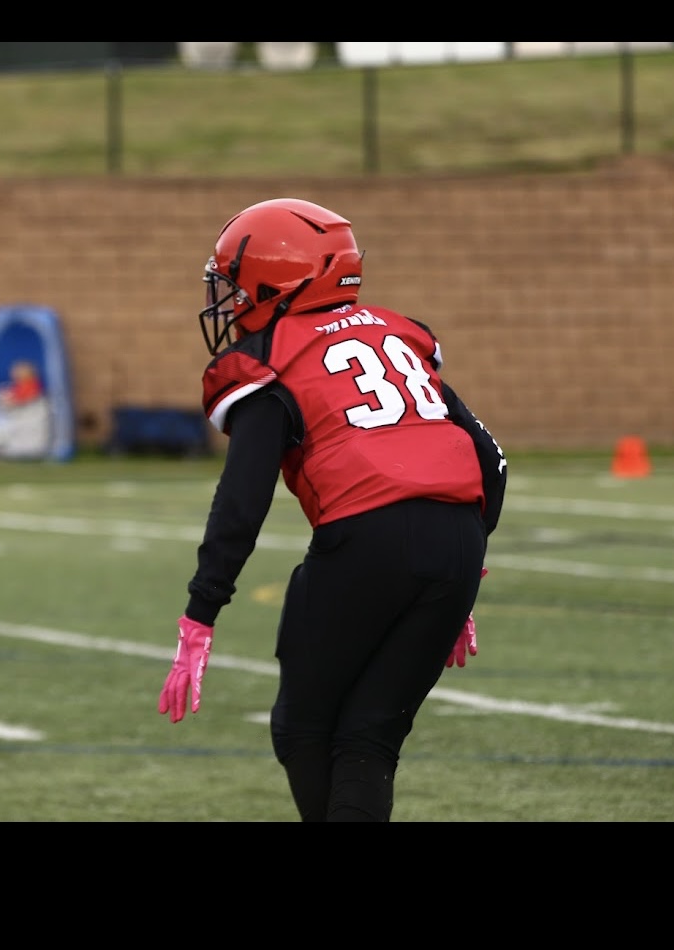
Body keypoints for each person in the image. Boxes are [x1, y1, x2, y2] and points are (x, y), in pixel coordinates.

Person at [158, 198, 507, 823]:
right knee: (369, 735)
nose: (229, 299)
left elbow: (243, 498)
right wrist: (468, 573)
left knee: (304, 727)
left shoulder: (273, 360)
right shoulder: (397, 332)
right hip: (458, 541)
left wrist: (201, 611)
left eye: (235, 284)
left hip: (367, 537)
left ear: (276, 282)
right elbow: (491, 460)